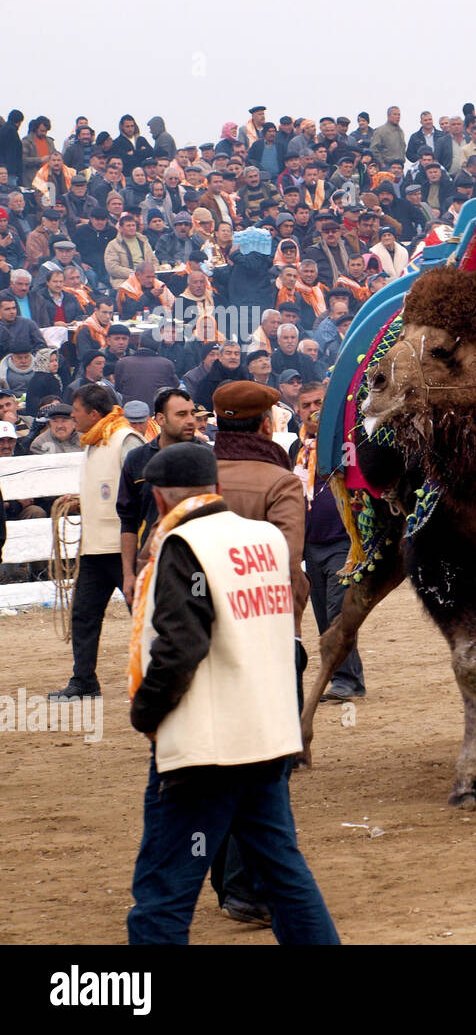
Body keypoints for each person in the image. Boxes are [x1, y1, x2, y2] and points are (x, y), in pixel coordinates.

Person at [124, 442, 339, 945]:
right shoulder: (263, 539)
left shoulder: (181, 547)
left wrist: (146, 711)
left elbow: (181, 647)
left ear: (158, 501)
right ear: (215, 489)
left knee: (163, 891)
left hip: (207, 746)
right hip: (266, 734)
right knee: (285, 876)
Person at [208, 379, 310, 924]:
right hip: (266, 635)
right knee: (267, 767)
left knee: (217, 762)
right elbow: (284, 557)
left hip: (204, 637)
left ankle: (229, 885)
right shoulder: (279, 480)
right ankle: (250, 887)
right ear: (266, 424)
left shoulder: (194, 478)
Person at [50, 384, 145, 700]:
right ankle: (84, 679)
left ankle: (156, 675)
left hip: (124, 547)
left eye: (76, 410)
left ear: (93, 413)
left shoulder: (125, 440)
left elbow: (141, 491)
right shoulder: (94, 442)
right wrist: (81, 502)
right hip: (95, 547)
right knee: (84, 614)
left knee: (143, 614)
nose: (72, 415)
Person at [295, 380, 366, 701]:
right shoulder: (294, 450)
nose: (313, 410)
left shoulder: (345, 441)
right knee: (324, 615)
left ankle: (346, 681)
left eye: (318, 403)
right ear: (298, 411)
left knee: (339, 613)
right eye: (306, 405)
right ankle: (344, 678)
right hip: (310, 545)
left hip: (343, 540)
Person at [118, 388, 200, 604]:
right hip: (152, 563)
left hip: (200, 566)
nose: (191, 420)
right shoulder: (136, 460)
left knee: (199, 621)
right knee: (157, 630)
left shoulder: (208, 458)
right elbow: (128, 521)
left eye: (192, 413)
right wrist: (128, 574)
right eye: (181, 415)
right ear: (160, 419)